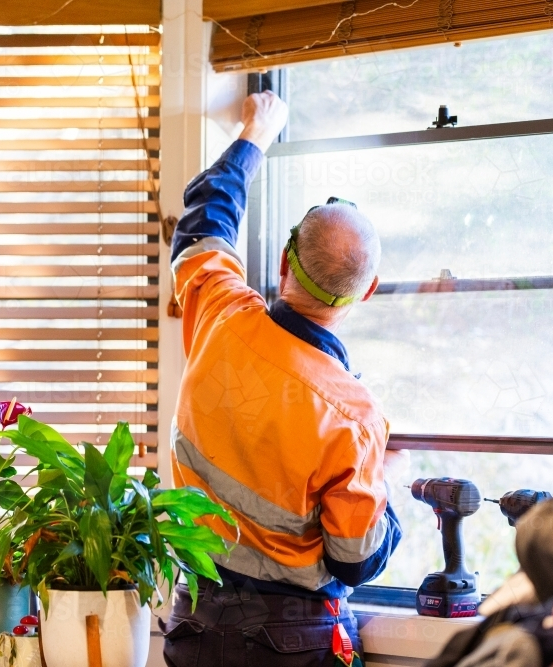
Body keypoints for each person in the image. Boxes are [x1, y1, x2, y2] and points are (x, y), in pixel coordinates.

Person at [162, 90, 408, 667]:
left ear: (281, 261)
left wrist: (255, 136)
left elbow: (202, 224)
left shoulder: (219, 316)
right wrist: (386, 493)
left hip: (194, 625)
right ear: (365, 293)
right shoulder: (354, 417)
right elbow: (354, 560)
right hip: (290, 641)